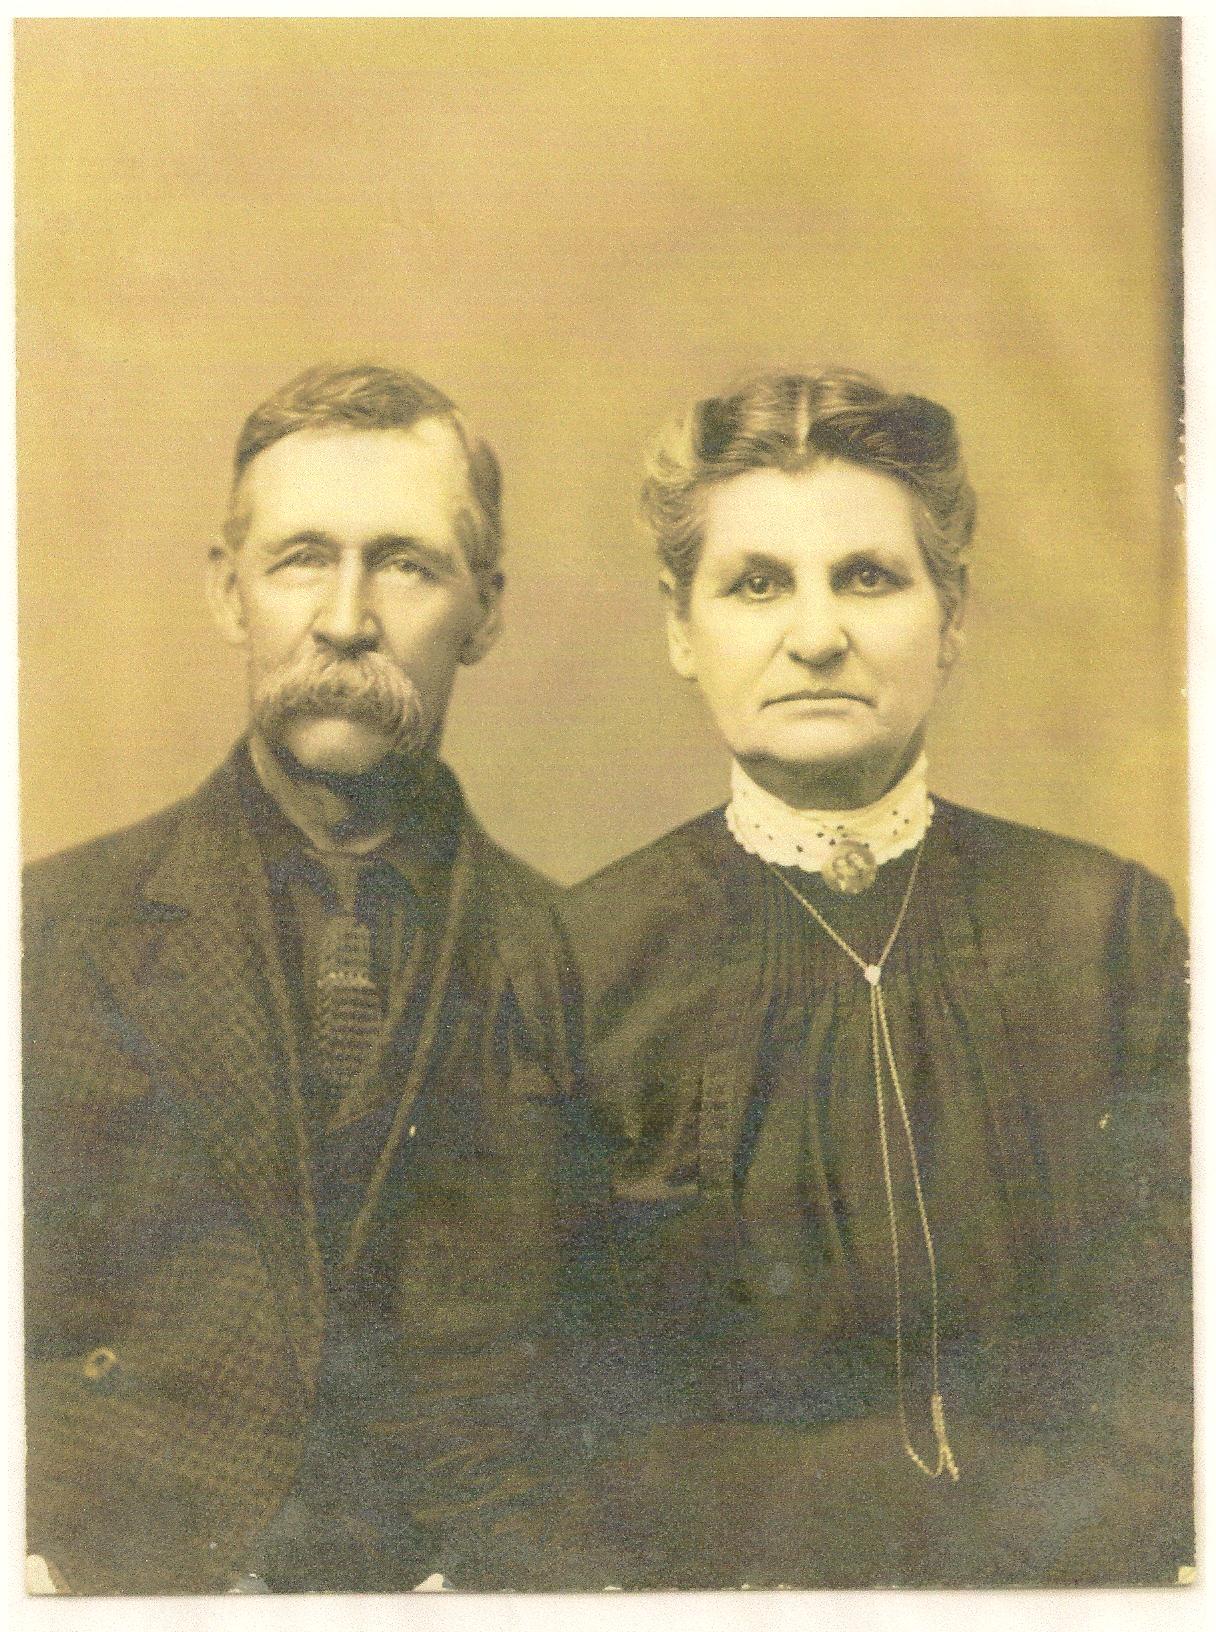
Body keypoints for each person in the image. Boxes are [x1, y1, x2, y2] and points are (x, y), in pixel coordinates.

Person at [557, 370, 1192, 1588]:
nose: (814, 634)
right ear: (681, 630)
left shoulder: (1099, 923)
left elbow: (1172, 1344)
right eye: (756, 584)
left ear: (950, 619)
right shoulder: (584, 954)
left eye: (868, 577)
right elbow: (520, 1392)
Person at [22, 363, 596, 1593]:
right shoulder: (44, 938)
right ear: (229, 592)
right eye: (299, 560)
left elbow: (632, 1371)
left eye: (404, 563)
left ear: (485, 610)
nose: (346, 617)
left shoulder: (585, 962)